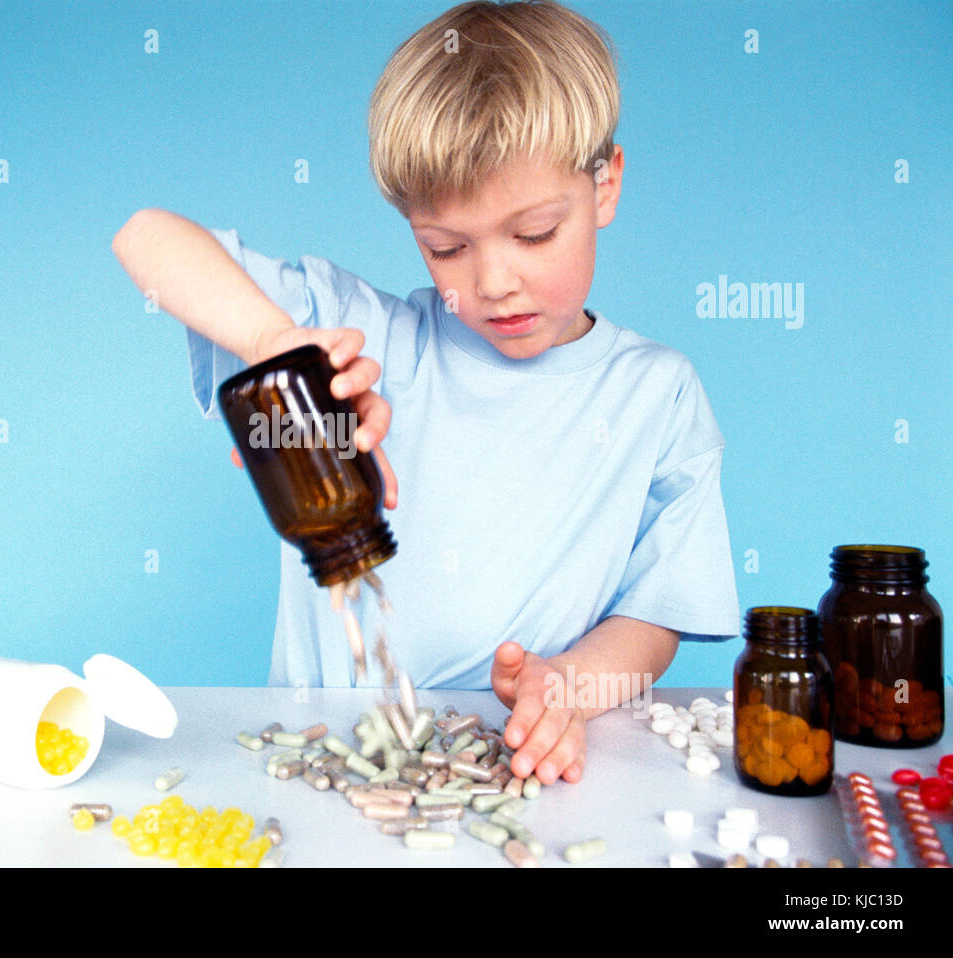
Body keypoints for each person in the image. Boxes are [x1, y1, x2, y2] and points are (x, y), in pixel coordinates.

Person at [112, 0, 740, 785]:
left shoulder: (659, 395)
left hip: (507, 769)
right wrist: (274, 344)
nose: (493, 281)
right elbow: (145, 236)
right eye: (446, 247)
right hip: (321, 762)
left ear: (605, 185)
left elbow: (661, 609)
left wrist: (568, 687)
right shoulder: (364, 339)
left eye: (535, 233)